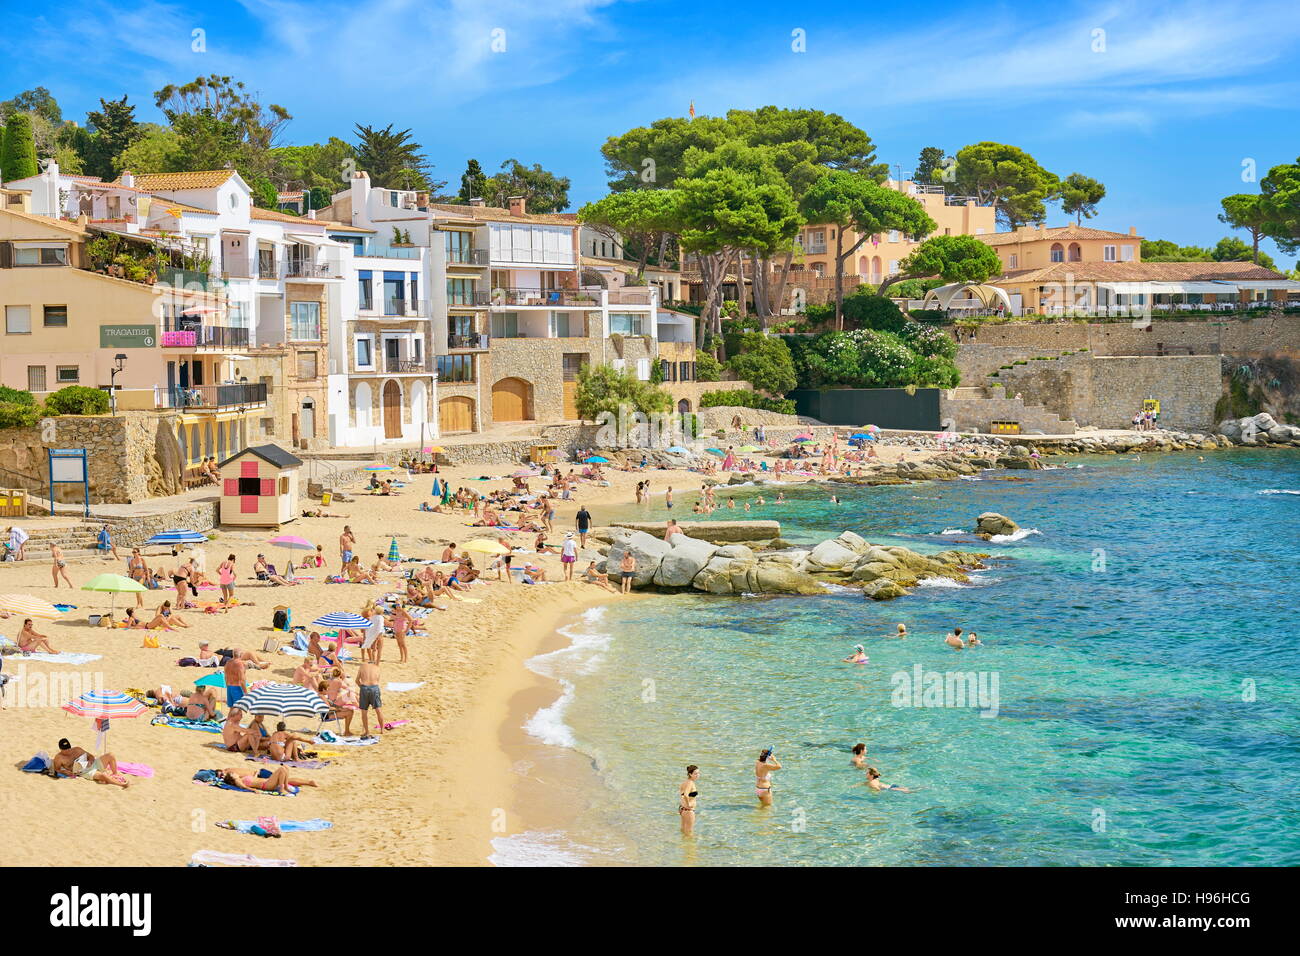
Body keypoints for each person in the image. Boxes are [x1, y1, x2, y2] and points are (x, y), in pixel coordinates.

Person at [51, 739, 129, 788]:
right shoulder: (58, 758)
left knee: (111, 755)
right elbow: (57, 769)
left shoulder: (77, 749)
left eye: (69, 748)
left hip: (92, 764)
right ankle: (120, 784)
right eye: (65, 750)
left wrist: (90, 761)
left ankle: (115, 774)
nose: (68, 751)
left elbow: (90, 756)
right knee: (103, 776)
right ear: (60, 749)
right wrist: (65, 771)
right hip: (84, 772)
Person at [219, 766, 318, 793]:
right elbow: (243, 787)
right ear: (232, 778)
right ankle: (283, 788)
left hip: (266, 781)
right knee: (281, 769)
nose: (235, 773)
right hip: (266, 785)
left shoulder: (240, 778)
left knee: (285, 769)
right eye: (233, 774)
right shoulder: (238, 781)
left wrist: (256, 774)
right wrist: (254, 790)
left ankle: (286, 786)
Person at [356, 659, 386, 739]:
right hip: (374, 688)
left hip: (364, 688)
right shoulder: (377, 667)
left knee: (364, 712)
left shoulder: (362, 666)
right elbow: (377, 680)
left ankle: (367, 731)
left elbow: (357, 680)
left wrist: (362, 688)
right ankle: (382, 729)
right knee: (378, 710)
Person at [679, 765, 701, 836]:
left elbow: (682, 795)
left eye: (698, 773)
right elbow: (685, 795)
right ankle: (689, 846)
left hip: (682, 809)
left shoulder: (685, 782)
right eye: (695, 774)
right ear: (690, 774)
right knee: (689, 833)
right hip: (688, 811)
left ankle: (683, 845)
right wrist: (688, 805)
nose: (697, 775)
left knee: (683, 831)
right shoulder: (690, 783)